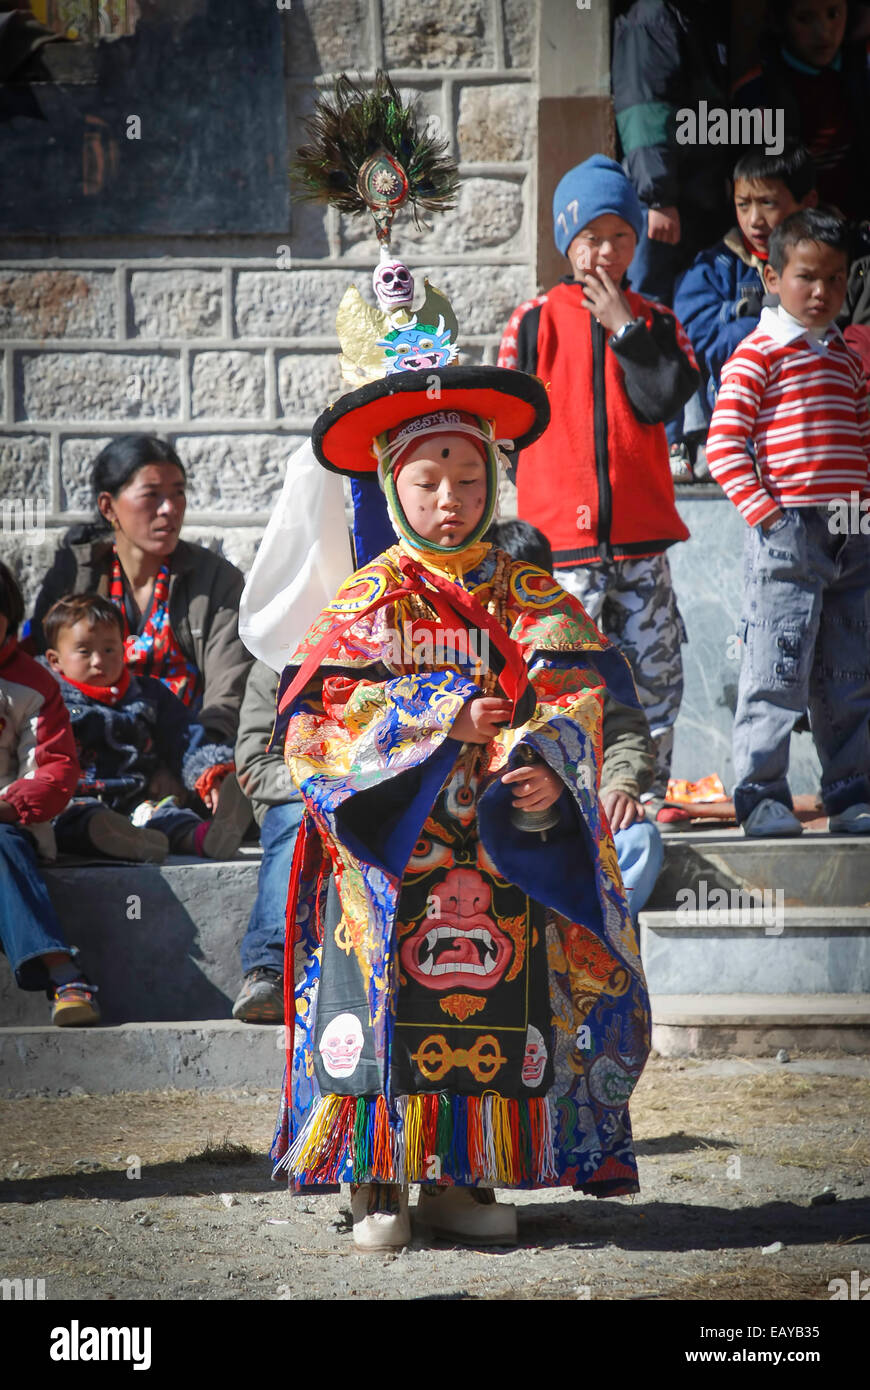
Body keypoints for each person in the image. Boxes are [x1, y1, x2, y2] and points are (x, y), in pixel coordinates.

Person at [269, 363, 651, 1254]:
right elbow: (318, 731)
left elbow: (579, 697)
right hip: (390, 855)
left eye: (471, 478)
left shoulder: (529, 594)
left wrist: (552, 763)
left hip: (497, 852)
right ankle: (374, 1181)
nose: (451, 498)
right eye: (429, 481)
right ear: (392, 488)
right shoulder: (370, 601)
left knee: (485, 1004)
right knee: (382, 1010)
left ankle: (465, 1174)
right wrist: (437, 717)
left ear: (496, 481)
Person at [499, 154, 699, 826]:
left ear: (637, 242)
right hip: (563, 545)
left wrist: (624, 329)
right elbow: (506, 429)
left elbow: (665, 398)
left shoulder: (657, 320)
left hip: (641, 537)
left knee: (653, 668)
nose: (606, 251)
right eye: (591, 238)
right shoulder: (533, 320)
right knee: (569, 672)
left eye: (620, 236)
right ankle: (576, 794)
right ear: (568, 242)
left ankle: (646, 793)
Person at [706, 208, 870, 837]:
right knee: (775, 671)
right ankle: (761, 795)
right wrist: (770, 518)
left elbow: (860, 438)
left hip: (851, 538)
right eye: (807, 277)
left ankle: (850, 791)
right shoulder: (759, 354)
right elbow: (724, 447)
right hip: (787, 534)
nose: (823, 292)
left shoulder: (846, 358)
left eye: (835, 278)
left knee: (849, 671)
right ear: (771, 276)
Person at [31, 434, 252, 819]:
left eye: (178, 493)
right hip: (88, 752)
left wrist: (183, 766)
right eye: (151, 495)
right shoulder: (74, 575)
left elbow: (228, 692)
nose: (169, 509)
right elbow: (39, 671)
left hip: (187, 745)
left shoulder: (216, 580)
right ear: (108, 506)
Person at [485, 521, 663, 918]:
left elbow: (623, 729)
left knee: (640, 841)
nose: (522, 602)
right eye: (508, 588)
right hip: (489, 816)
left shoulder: (578, 643)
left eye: (534, 584)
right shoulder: (464, 645)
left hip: (572, 812)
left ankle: (591, 930)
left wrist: (620, 785)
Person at [42, 593, 251, 861]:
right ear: (55, 660)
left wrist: (209, 771)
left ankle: (207, 838)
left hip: (138, 798)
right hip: (79, 799)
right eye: (84, 651)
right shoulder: (48, 699)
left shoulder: (148, 694)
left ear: (124, 648)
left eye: (109, 649)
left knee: (170, 816)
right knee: (78, 822)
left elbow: (183, 735)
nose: (98, 661)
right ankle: (125, 840)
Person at [0, 561, 100, 1026]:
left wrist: (10, 804)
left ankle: (62, 972)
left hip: (9, 823)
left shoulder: (31, 684)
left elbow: (54, 769)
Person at [674, 142, 818, 411]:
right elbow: (694, 339)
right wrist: (754, 321)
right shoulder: (714, 267)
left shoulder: (831, 263)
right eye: (743, 205)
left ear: (808, 202)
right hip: (742, 413)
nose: (754, 220)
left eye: (768, 203)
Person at [612, 0, 731, 306]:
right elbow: (643, 108)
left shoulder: (692, 17)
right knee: (652, 302)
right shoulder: (651, 20)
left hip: (692, 193)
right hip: (665, 199)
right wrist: (660, 197)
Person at [732, 0, 870, 223]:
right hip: (794, 232)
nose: (823, 31)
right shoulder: (755, 93)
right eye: (804, 19)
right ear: (780, 21)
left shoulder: (863, 72)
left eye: (833, 14)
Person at [231, 658, 304, 1022]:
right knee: (297, 827)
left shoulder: (380, 655)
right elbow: (255, 766)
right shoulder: (273, 667)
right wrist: (317, 787)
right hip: (291, 798)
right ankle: (266, 970)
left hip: (366, 790)